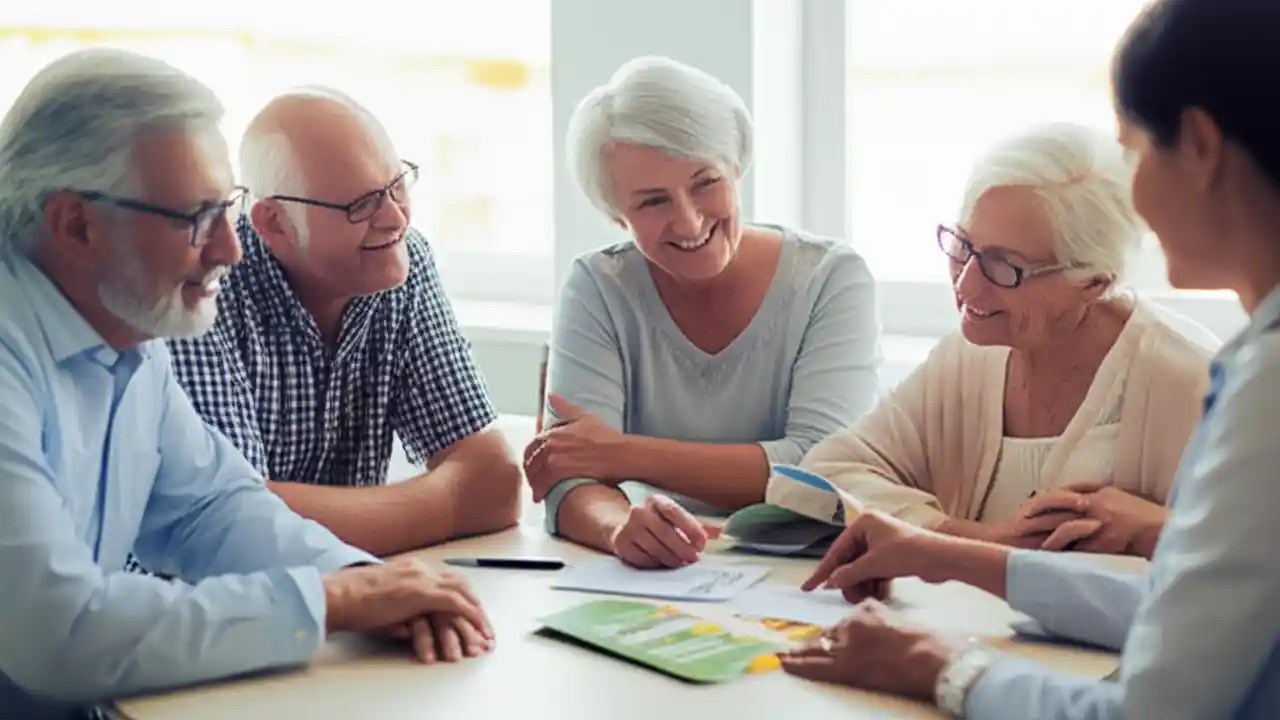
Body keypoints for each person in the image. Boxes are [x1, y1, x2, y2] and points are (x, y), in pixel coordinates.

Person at [781, 1, 1280, 717]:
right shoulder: (1259, 364)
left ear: (1198, 145)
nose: (1130, 194)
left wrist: (946, 668)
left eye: (1132, 149)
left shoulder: (1262, 389)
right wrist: (946, 550)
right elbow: (1183, 608)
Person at [0, 50, 492, 719]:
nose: (229, 249)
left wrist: (364, 580)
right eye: (195, 217)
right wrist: (334, 603)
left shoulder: (124, 332)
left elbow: (211, 506)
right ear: (77, 224)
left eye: (225, 208)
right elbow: (56, 633)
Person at [523, 56, 881, 569]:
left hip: (812, 568)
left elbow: (821, 469)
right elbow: (572, 473)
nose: (688, 220)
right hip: (660, 575)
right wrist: (620, 529)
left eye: (705, 182)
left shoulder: (831, 277)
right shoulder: (596, 288)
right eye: (652, 202)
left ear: (735, 166)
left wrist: (623, 453)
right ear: (615, 215)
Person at [797, 123, 1218, 558]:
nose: (966, 285)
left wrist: (1155, 530)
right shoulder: (967, 359)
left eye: (1005, 266)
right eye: (964, 245)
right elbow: (822, 475)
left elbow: (1243, 564)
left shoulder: (1190, 381)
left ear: (1094, 282)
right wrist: (978, 540)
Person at [166, 88, 521, 557]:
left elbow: (496, 483)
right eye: (361, 204)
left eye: (398, 186)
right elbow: (226, 525)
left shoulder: (403, 261)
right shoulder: (201, 288)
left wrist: (283, 516)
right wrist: (452, 501)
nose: (396, 219)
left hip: (351, 592)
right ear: (274, 223)